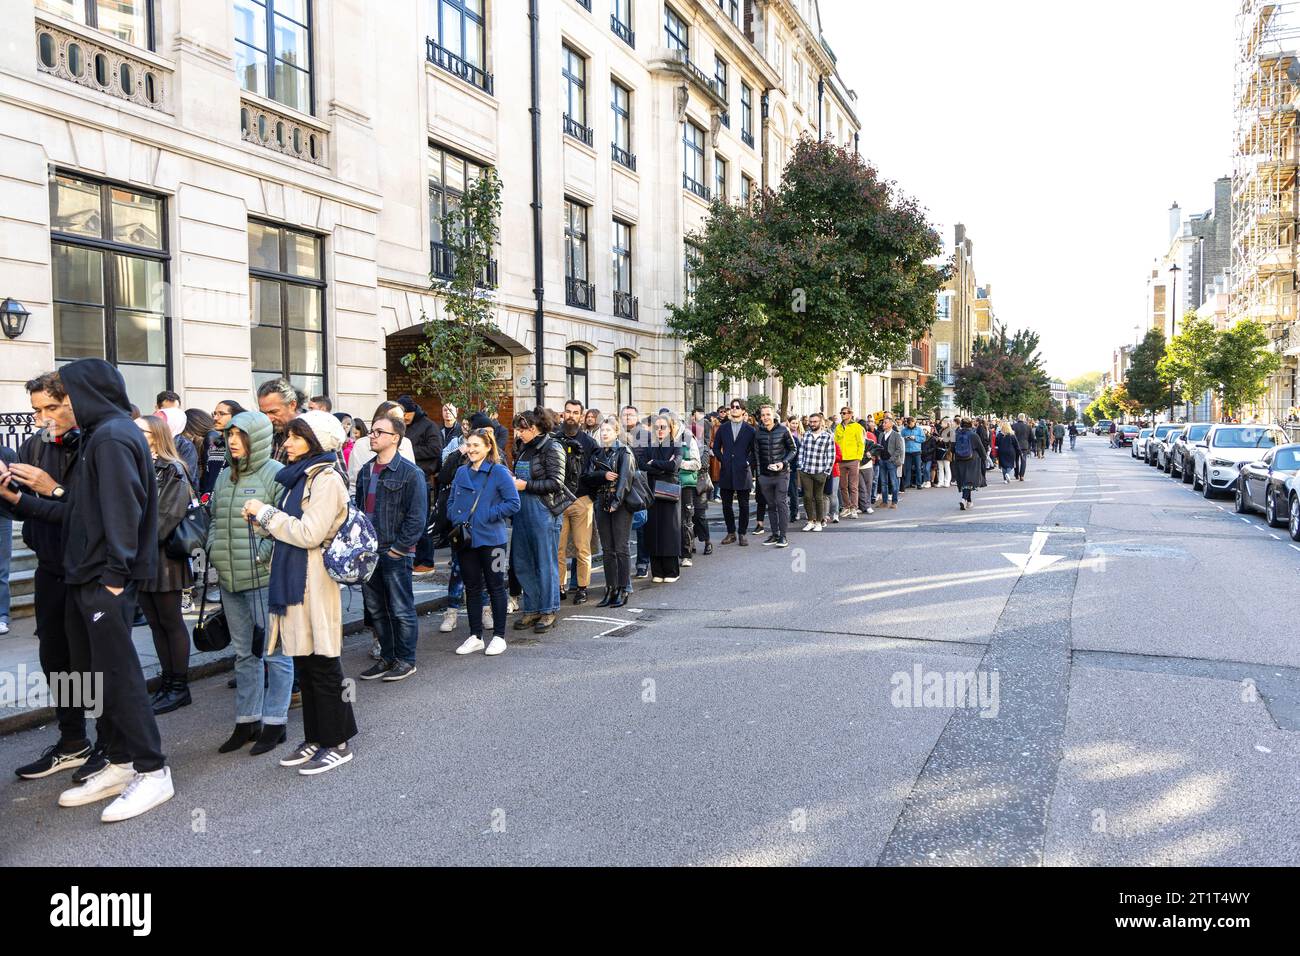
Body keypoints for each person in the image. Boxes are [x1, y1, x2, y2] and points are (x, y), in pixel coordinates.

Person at [53, 358, 173, 822]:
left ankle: (152, 770)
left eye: (66, 396)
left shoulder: (112, 436)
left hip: (107, 580)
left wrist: (115, 577)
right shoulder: (104, 435)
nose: (63, 406)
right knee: (100, 678)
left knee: (119, 678)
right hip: (92, 575)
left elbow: (125, 507)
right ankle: (123, 763)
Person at [2, 372, 109, 781]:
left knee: (94, 662)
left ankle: (107, 743)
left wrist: (49, 490)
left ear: (73, 403)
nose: (43, 418)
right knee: (57, 658)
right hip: (50, 566)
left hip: (89, 569)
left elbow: (87, 518)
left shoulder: (99, 444)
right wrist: (9, 495)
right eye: (36, 410)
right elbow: (24, 508)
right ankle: (72, 740)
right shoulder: (32, 445)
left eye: (51, 407)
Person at [244, 411, 358, 776]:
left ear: (317, 441)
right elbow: (291, 528)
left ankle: (337, 741)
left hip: (314, 581)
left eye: (296, 436)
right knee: (306, 663)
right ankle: (316, 737)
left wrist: (266, 515)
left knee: (323, 662)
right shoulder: (302, 475)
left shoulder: (327, 479)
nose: (287, 442)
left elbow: (309, 534)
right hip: (296, 579)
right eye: (288, 435)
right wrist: (266, 522)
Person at [207, 409, 292, 756]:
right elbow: (213, 518)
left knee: (274, 652)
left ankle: (276, 722)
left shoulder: (276, 474)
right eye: (229, 435)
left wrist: (262, 552)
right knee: (243, 654)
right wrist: (213, 548)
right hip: (230, 580)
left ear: (255, 439)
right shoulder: (224, 476)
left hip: (263, 579)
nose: (232, 441)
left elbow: (286, 523)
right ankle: (247, 720)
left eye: (239, 435)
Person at [356, 415, 427, 682]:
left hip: (394, 551)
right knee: (376, 609)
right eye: (371, 431)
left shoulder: (411, 473)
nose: (371, 436)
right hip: (369, 552)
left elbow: (417, 517)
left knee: (401, 608)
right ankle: (387, 657)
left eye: (378, 432)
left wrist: (399, 549)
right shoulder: (365, 470)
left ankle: (406, 660)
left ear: (395, 438)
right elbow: (361, 511)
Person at [133, 416, 197, 715]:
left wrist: (134, 543)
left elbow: (168, 515)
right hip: (141, 555)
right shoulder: (138, 465)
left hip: (164, 557)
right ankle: (167, 681)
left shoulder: (173, 468)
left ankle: (179, 686)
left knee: (170, 621)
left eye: (139, 431)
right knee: (155, 623)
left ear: (155, 436)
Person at [448, 427, 520, 656]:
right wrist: (455, 516)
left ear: (488, 447)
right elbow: (451, 500)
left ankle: (499, 636)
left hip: (493, 540)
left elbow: (513, 503)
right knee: (472, 587)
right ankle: (475, 635)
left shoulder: (499, 471)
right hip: (466, 540)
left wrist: (485, 514)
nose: (471, 449)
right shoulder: (461, 472)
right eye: (468, 445)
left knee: (496, 586)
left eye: (476, 445)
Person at [510, 407, 565, 633]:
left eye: (522, 429)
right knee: (523, 562)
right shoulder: (524, 447)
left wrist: (526, 485)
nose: (518, 434)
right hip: (522, 511)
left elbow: (557, 482)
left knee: (545, 562)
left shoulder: (553, 446)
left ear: (534, 428)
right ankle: (531, 609)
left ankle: (549, 609)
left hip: (543, 510)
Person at [582, 416, 635, 606]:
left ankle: (623, 588)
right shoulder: (597, 453)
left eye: (608, 431)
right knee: (607, 550)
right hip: (601, 500)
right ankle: (610, 588)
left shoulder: (624, 452)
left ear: (616, 432)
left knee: (621, 547)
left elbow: (625, 481)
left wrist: (617, 502)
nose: (604, 434)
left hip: (619, 503)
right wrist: (602, 475)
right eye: (602, 431)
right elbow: (587, 476)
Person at [555, 399, 598, 604]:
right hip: (558, 500)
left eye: (575, 412)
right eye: (568, 411)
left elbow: (598, 469)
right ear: (563, 414)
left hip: (582, 500)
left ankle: (582, 587)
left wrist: (591, 495)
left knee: (582, 548)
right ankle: (559, 586)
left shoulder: (589, 443)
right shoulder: (554, 439)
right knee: (559, 548)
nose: (571, 415)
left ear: (581, 417)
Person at [396, 396, 443, 574]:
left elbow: (435, 449)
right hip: (402, 476)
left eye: (406, 414)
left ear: (413, 410)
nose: (404, 417)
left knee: (420, 521)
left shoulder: (429, 425)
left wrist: (407, 449)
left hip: (421, 476)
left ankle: (426, 560)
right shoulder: (400, 426)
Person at [644, 414, 685, 579]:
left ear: (670, 428)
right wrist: (662, 467)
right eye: (656, 427)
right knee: (653, 530)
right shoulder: (649, 446)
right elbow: (641, 465)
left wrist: (653, 463)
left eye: (663, 427)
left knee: (669, 530)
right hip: (652, 491)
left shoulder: (677, 446)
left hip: (669, 491)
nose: (660, 430)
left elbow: (673, 466)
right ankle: (658, 571)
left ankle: (671, 571)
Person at [712, 400, 758, 545]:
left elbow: (755, 452)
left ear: (743, 411)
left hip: (743, 471)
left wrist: (747, 462)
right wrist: (722, 459)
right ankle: (730, 532)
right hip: (726, 471)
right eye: (732, 407)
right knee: (726, 505)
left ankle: (742, 533)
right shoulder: (723, 428)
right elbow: (715, 447)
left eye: (737, 407)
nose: (734, 409)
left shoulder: (750, 430)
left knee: (744, 505)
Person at [753, 405, 796, 547]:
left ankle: (783, 537)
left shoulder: (784, 430)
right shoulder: (758, 433)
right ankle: (775, 534)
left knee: (780, 503)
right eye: (763, 415)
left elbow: (793, 449)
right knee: (770, 505)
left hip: (782, 474)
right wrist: (759, 475)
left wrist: (783, 463)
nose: (765, 417)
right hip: (764, 476)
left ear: (773, 416)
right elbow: (757, 456)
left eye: (768, 414)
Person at [797, 412, 834, 532]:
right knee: (807, 497)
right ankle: (810, 521)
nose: (812, 424)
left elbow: (830, 456)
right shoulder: (806, 435)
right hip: (806, 471)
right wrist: (800, 467)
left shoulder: (827, 437)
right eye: (811, 422)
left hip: (820, 471)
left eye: (815, 422)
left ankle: (819, 521)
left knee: (818, 497)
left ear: (820, 422)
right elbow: (801, 452)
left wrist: (826, 472)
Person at [257, 378, 302, 462]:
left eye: (274, 412)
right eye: (263, 413)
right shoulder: (266, 432)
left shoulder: (312, 434)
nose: (268, 419)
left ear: (292, 405)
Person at [834, 407, 865, 517]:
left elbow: (861, 443)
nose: (842, 415)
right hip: (841, 460)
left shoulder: (857, 427)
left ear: (850, 414)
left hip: (853, 459)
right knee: (842, 486)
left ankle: (854, 508)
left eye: (844, 413)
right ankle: (846, 506)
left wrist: (859, 458)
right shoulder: (838, 427)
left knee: (853, 486)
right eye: (841, 413)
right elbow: (835, 443)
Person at [952, 418, 988, 510]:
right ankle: (964, 499)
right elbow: (981, 448)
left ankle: (969, 501)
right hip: (972, 460)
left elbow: (952, 448)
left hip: (959, 460)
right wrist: (984, 458)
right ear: (970, 425)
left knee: (965, 480)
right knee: (969, 481)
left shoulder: (956, 434)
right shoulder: (973, 435)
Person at [875, 416, 905, 509]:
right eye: (883, 423)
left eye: (885, 422)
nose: (883, 424)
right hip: (882, 461)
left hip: (891, 462)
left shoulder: (896, 435)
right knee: (883, 482)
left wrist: (892, 459)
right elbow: (879, 447)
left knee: (893, 482)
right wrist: (879, 457)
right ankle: (884, 502)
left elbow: (899, 449)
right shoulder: (881, 435)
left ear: (891, 424)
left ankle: (894, 502)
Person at [901, 417, 925, 490]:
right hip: (907, 451)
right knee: (907, 469)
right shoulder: (904, 430)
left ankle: (919, 484)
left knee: (918, 468)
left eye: (912, 423)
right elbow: (900, 439)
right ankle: (907, 483)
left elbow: (923, 439)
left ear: (914, 422)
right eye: (910, 423)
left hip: (916, 451)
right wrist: (905, 438)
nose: (911, 425)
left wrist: (915, 438)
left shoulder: (919, 429)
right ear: (907, 423)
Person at [935, 417, 954, 488]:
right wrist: (938, 439)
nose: (941, 423)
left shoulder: (951, 431)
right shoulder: (940, 430)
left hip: (947, 451)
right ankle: (941, 482)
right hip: (940, 450)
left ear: (947, 423)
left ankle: (947, 482)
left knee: (947, 467)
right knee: (940, 467)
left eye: (943, 422)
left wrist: (944, 439)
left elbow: (952, 442)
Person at [1012, 414, 1032, 482]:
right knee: (1023, 461)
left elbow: (1011, 436)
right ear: (1024, 418)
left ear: (1018, 418)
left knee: (1016, 460)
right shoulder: (1028, 427)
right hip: (1024, 446)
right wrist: (1029, 444)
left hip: (1015, 446)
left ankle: (1016, 474)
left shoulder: (1013, 426)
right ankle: (1022, 475)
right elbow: (1031, 437)